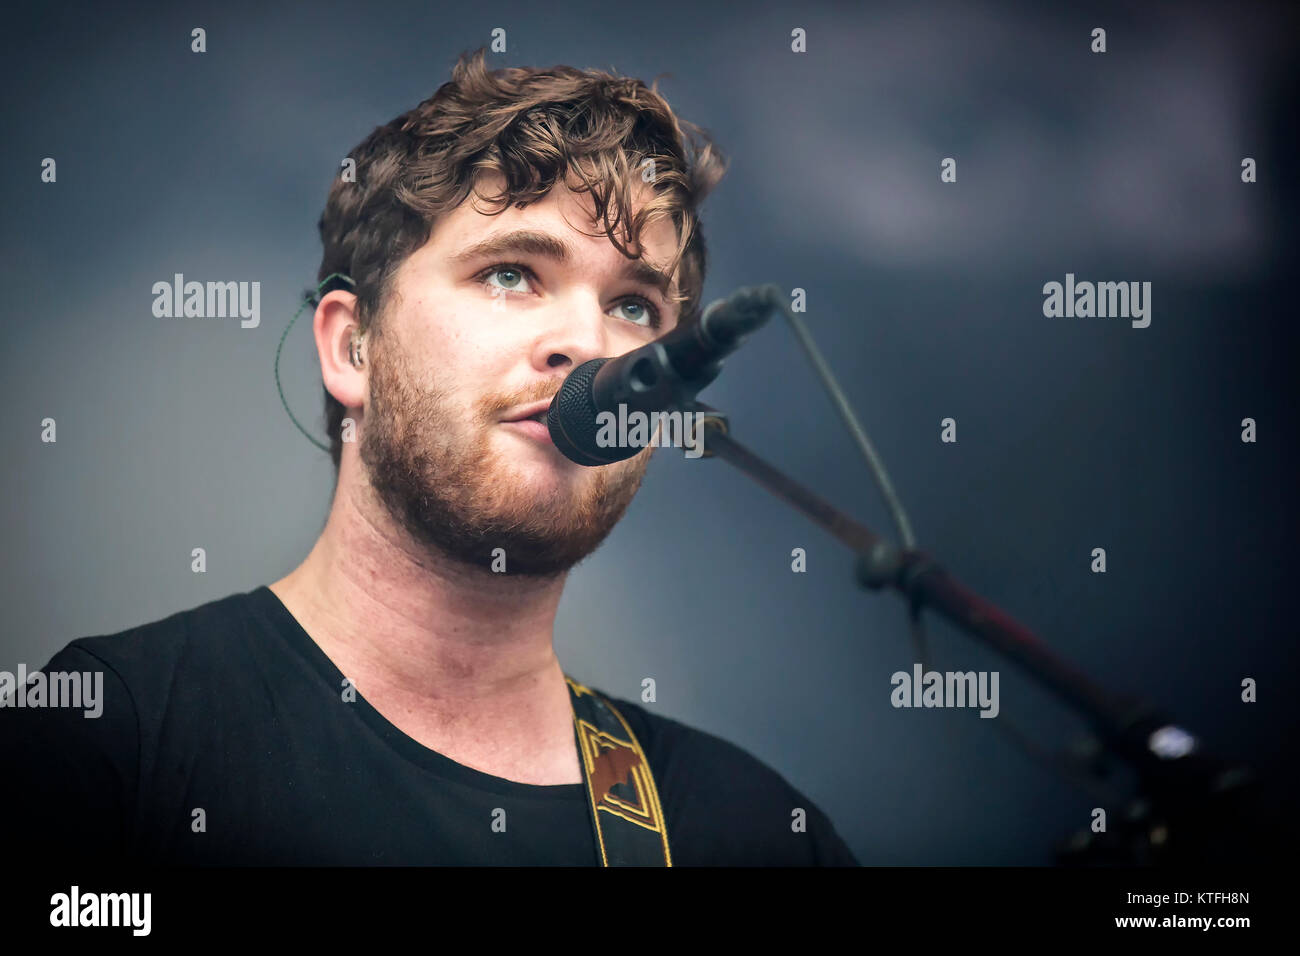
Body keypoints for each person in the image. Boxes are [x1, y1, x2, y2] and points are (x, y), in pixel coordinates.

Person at [0, 48, 858, 866]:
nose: (585, 346)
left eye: (634, 306)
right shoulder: (114, 735)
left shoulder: (750, 829)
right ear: (351, 348)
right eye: (512, 274)